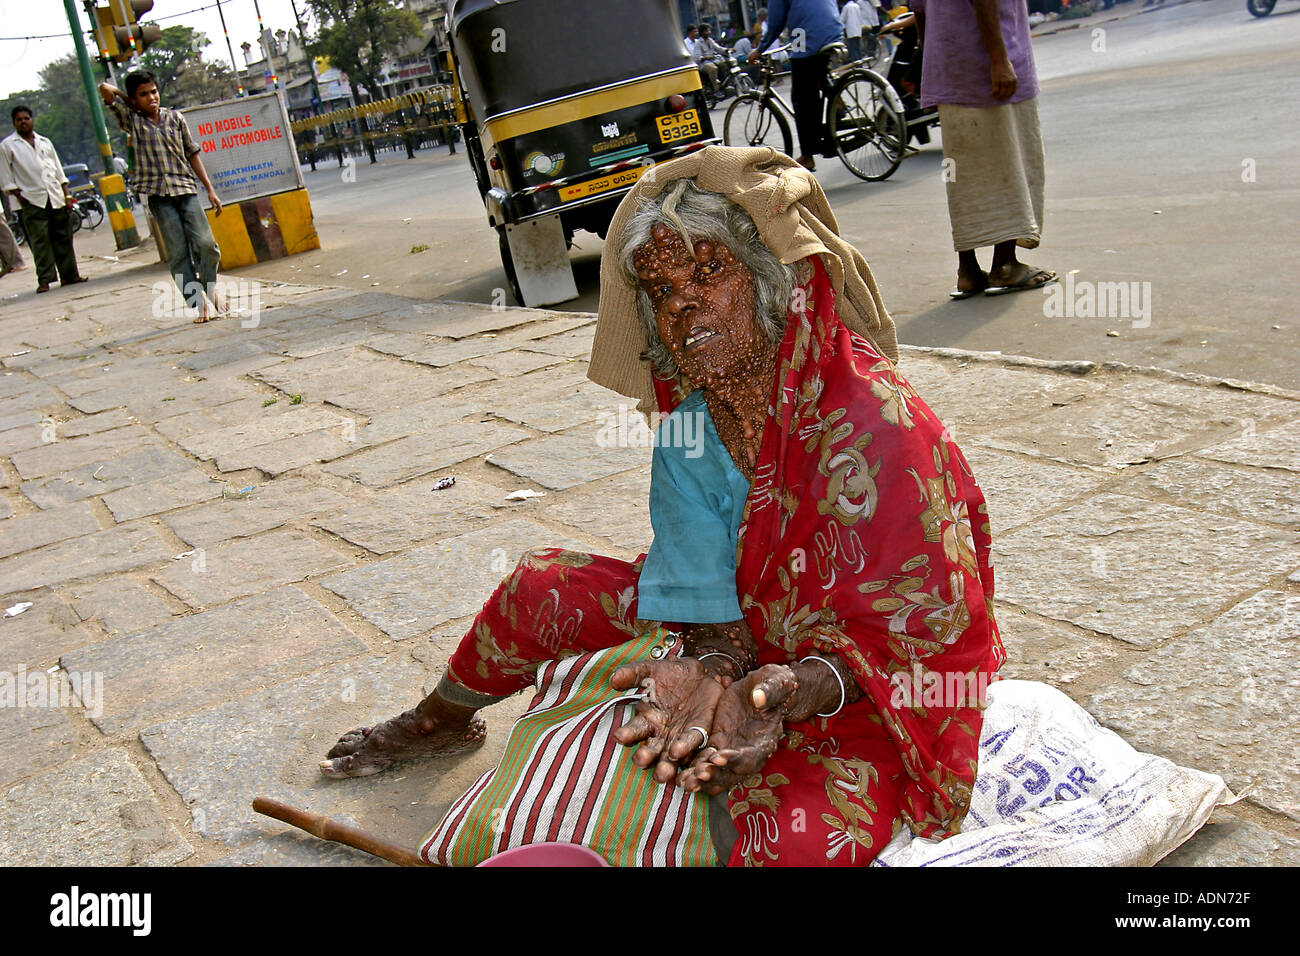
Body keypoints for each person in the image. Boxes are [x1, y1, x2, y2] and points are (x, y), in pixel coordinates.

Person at [319, 145, 1004, 867]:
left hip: (850, 686)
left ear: (772, 282)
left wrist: (786, 691)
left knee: (798, 840)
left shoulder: (879, 427)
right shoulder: (691, 427)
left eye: (709, 272)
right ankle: (437, 720)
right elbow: (708, 601)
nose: (682, 303)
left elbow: (934, 640)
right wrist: (710, 669)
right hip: (737, 641)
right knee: (543, 585)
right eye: (659, 288)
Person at [911, 0, 1057, 298]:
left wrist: (939, 66)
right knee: (1008, 166)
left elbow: (920, 13)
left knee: (965, 175)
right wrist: (999, 60)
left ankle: (968, 271)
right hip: (988, 70)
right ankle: (1005, 265)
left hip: (952, 71)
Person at [98, 71, 225, 322]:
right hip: (158, 195)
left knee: (207, 246)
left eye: (153, 92)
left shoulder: (175, 118)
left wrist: (210, 189)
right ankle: (199, 304)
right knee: (178, 254)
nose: (151, 98)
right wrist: (129, 101)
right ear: (135, 99)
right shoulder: (131, 119)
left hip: (185, 189)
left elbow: (192, 153)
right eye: (143, 94)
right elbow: (105, 88)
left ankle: (210, 288)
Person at [749, 0, 845, 171]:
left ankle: (808, 155)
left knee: (802, 99)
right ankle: (836, 101)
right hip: (834, 30)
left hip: (806, 38)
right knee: (818, 75)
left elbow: (775, 23)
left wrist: (760, 49)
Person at [0, 106, 86, 293]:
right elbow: (6, 178)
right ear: (14, 123)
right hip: (31, 200)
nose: (23, 121)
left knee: (63, 238)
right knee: (40, 241)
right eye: (19, 119)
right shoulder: (8, 146)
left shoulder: (45, 142)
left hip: (55, 195)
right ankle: (45, 280)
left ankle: (70, 275)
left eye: (26, 118)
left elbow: (58, 170)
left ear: (32, 120)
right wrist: (20, 197)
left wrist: (67, 195)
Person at [684, 24, 720, 98]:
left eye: (697, 31)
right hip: (696, 64)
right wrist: (704, 58)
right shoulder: (685, 43)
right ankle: (715, 89)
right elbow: (693, 56)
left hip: (706, 61)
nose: (697, 33)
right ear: (689, 33)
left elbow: (717, 48)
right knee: (712, 68)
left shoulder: (700, 41)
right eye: (695, 32)